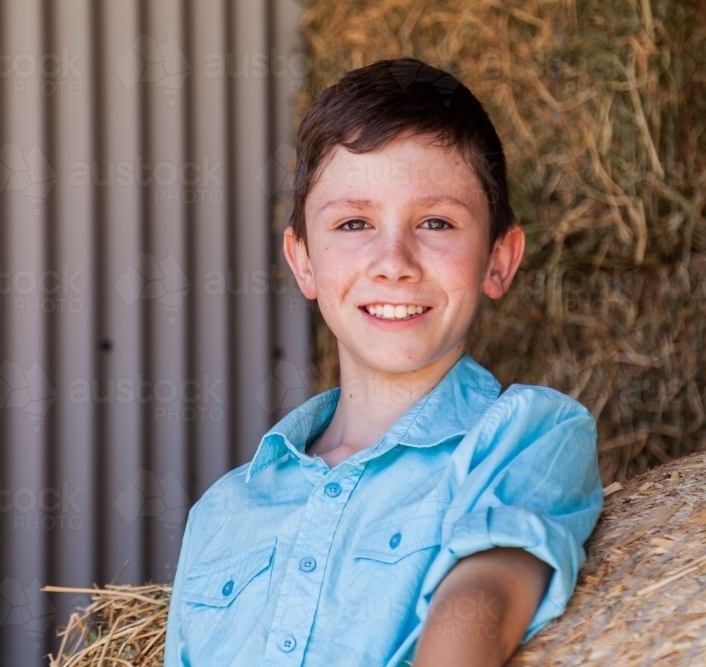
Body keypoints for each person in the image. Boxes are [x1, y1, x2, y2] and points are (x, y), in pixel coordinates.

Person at [165, 57, 603, 667]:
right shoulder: (222, 512)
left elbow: (479, 608)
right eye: (353, 223)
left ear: (500, 259)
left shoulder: (529, 435)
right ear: (304, 261)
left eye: (435, 221)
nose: (393, 260)